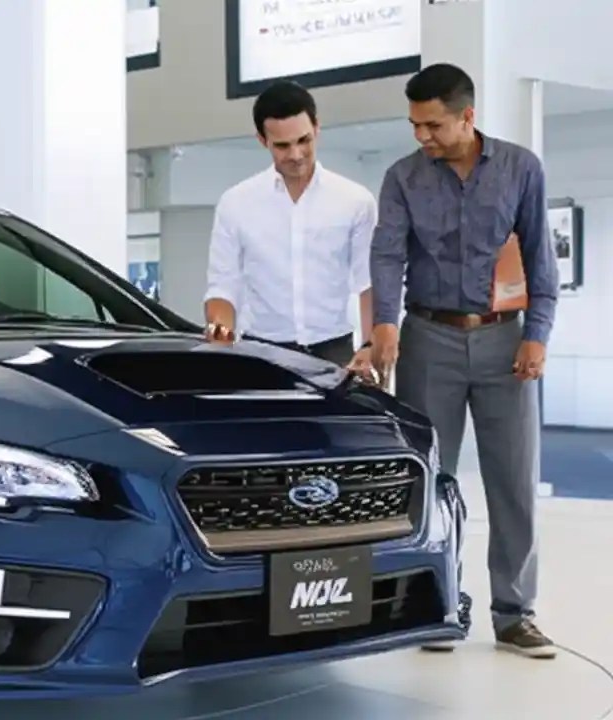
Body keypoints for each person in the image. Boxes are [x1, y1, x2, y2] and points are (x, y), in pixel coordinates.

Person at [370, 63, 560, 659]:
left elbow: (539, 257)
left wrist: (539, 334)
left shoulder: (520, 168)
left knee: (514, 483)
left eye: (433, 125)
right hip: (429, 338)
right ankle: (436, 606)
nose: (422, 136)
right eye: (415, 125)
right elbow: (386, 254)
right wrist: (382, 323)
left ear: (466, 116)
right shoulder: (402, 177)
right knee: (431, 481)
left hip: (507, 343)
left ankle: (515, 614)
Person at [203, 80, 376, 376]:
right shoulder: (235, 203)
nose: (296, 154)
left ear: (317, 128)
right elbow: (223, 285)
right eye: (282, 145)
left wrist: (370, 345)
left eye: (304, 140)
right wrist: (220, 334)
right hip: (262, 352)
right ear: (262, 140)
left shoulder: (355, 200)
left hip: (334, 352)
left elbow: (368, 282)